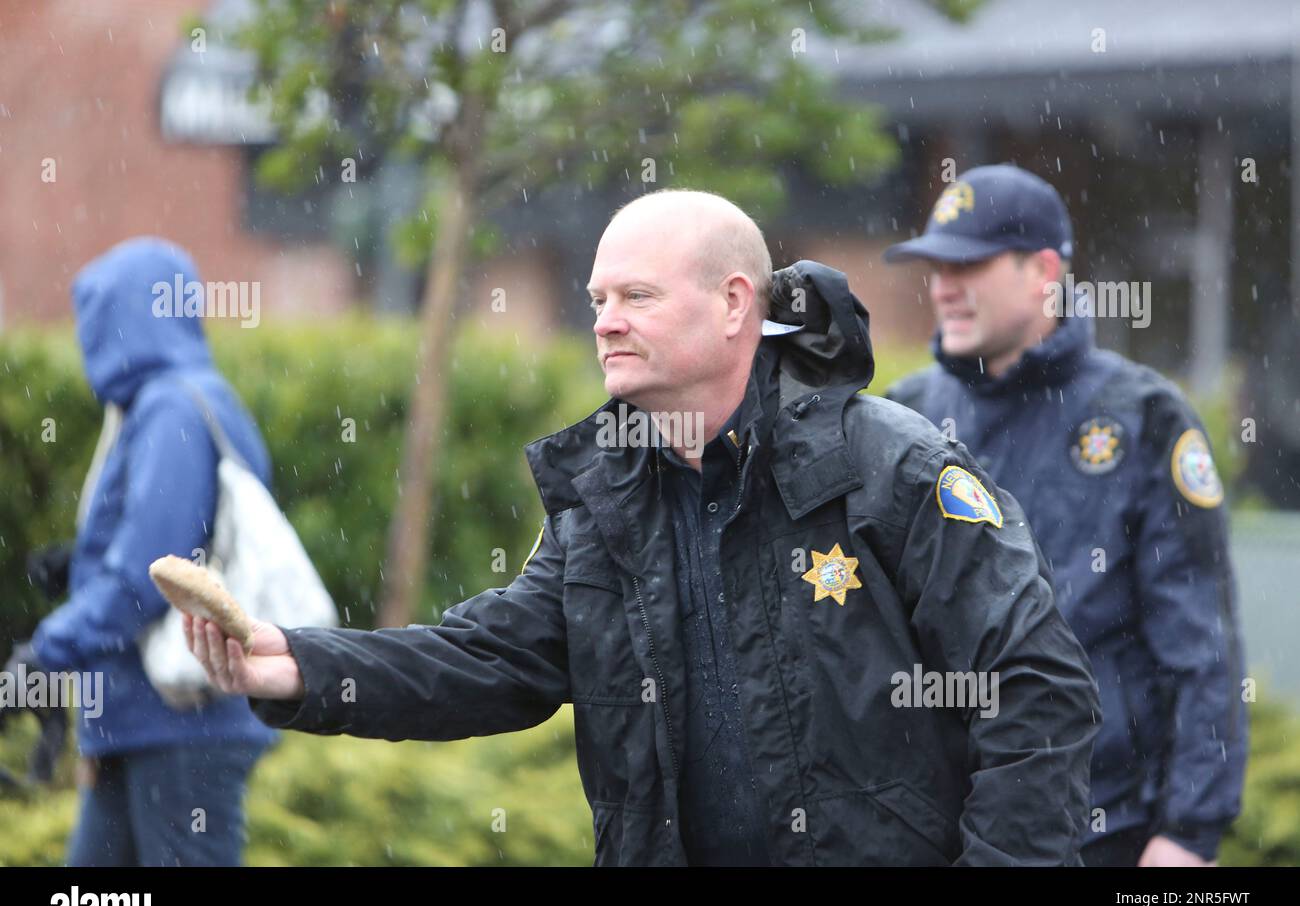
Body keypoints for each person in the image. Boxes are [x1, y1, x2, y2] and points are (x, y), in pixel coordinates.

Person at [184, 189, 1100, 866]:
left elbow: (1035, 689)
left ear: (736, 302)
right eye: (595, 301)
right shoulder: (607, 502)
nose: (606, 325)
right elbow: (490, 659)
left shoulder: (889, 467)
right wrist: (300, 664)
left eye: (636, 298)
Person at [882, 164, 1249, 867]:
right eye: (934, 266)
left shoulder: (1143, 418)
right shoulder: (904, 416)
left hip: (1102, 833)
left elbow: (1200, 649)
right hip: (938, 834)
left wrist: (1187, 834)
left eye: (969, 264)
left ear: (1043, 270)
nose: (943, 287)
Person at [6, 237, 278, 865]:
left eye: (93, 320)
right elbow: (167, 545)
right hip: (148, 719)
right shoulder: (181, 400)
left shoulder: (169, 407)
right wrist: (79, 562)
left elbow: (148, 575)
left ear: (120, 318)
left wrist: (47, 652)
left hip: (178, 722)